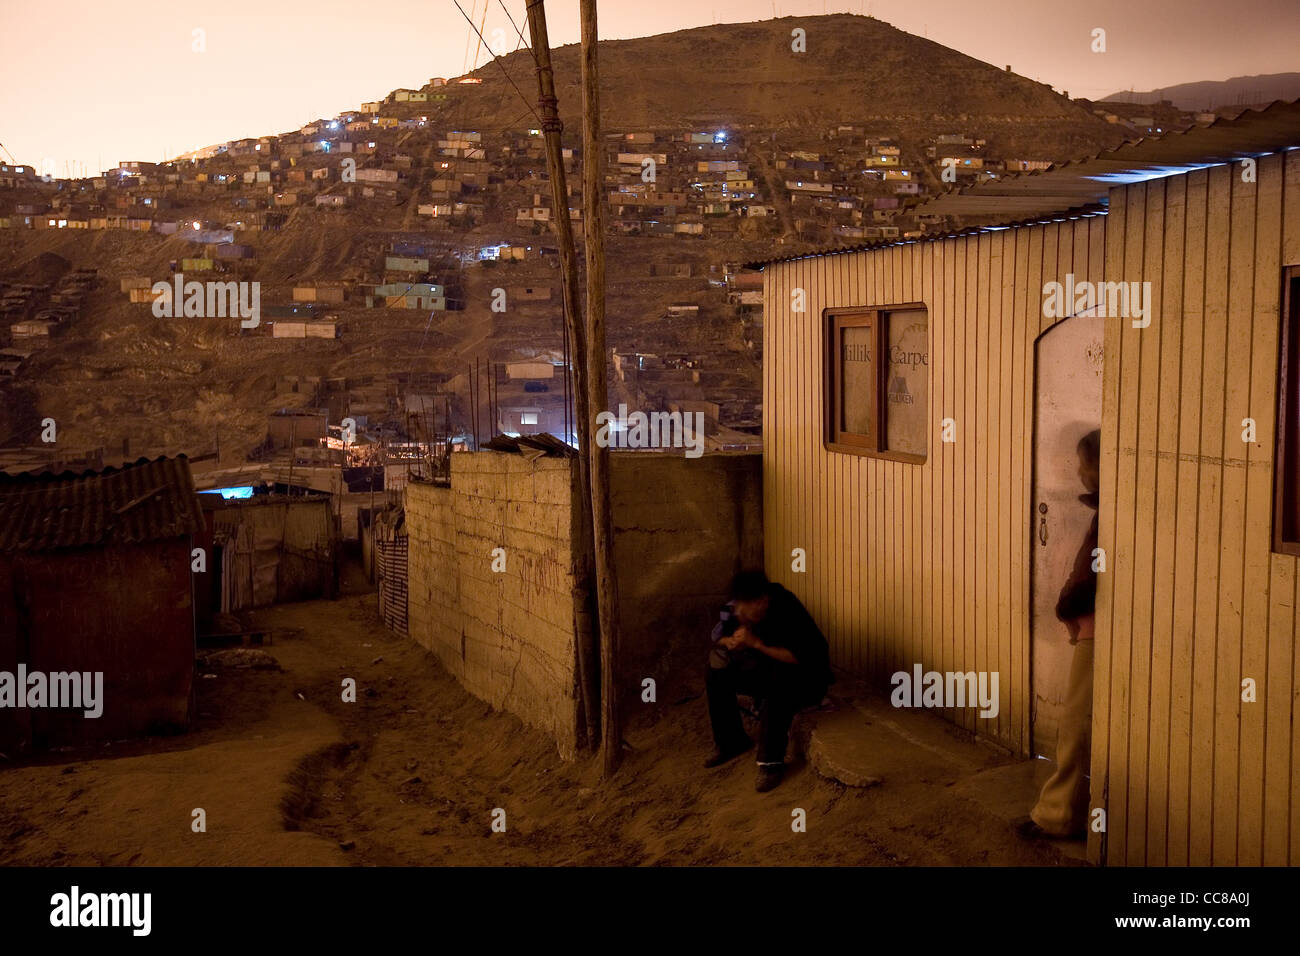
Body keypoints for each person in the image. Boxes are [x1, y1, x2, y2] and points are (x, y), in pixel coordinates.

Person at [1016, 428, 1101, 840]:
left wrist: (1064, 607)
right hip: (1105, 629)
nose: (1080, 472)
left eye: (1085, 463)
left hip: (1096, 631)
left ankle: (1058, 816)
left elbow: (1089, 578)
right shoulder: (1114, 509)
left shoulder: (1110, 515)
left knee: (1076, 727)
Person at [704, 570, 833, 792]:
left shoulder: (785, 607)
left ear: (764, 599)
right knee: (716, 668)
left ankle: (771, 762)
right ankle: (731, 741)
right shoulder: (740, 611)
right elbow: (719, 638)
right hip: (770, 670)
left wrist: (756, 644)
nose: (742, 614)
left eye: (760, 602)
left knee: (780, 676)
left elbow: (800, 658)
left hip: (807, 679)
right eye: (742, 608)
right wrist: (733, 643)